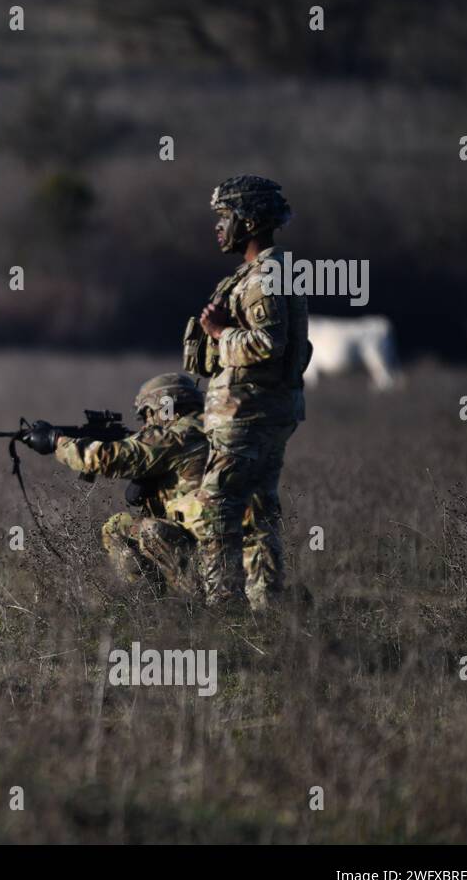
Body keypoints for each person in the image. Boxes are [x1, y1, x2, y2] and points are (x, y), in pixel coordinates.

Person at [182, 175, 309, 610]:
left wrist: (218, 332)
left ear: (251, 222)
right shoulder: (269, 272)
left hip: (250, 415)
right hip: (265, 412)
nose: (218, 227)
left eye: (225, 217)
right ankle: (266, 603)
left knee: (216, 506)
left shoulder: (265, 278)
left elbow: (268, 345)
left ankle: (223, 604)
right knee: (258, 507)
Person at [22, 373, 208, 595]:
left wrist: (56, 442)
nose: (147, 423)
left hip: (204, 549)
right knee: (120, 524)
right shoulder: (213, 427)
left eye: (147, 415)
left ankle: (169, 601)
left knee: (147, 530)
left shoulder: (175, 435)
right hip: (221, 537)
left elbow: (106, 457)